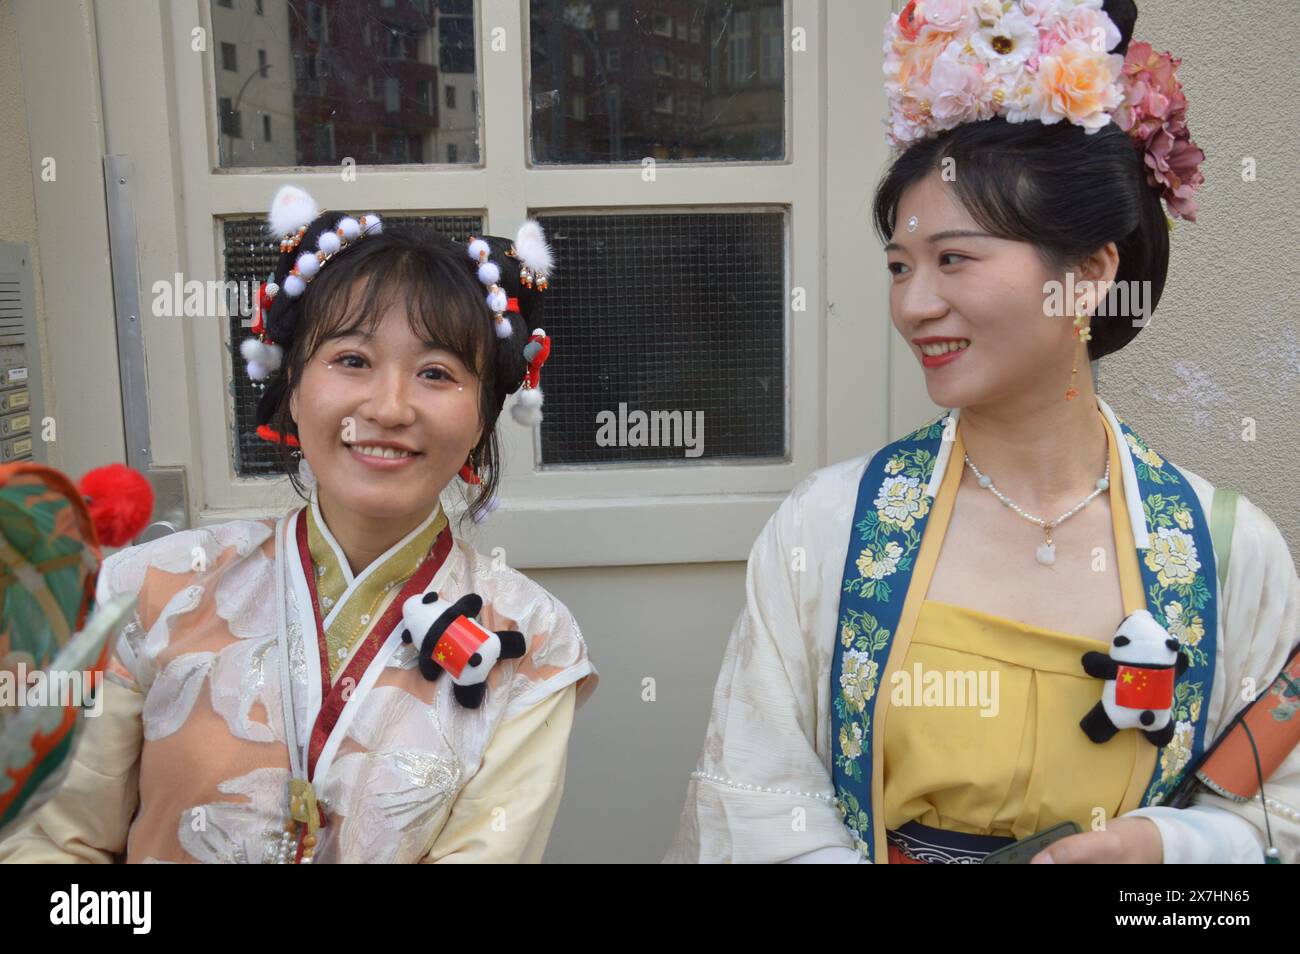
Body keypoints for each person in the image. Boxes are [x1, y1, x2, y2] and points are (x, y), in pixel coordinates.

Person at [665, 0, 1299, 864]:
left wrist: (1165, 848)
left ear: (1088, 275)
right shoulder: (830, 526)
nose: (914, 305)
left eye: (954, 259)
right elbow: (753, 800)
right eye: (900, 267)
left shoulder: (1227, 551)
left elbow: (1278, 816)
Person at [0, 185, 596, 863]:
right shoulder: (145, 591)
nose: (390, 408)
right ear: (292, 386)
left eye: (436, 372)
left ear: (483, 416)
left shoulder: (531, 639)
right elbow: (53, 843)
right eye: (352, 360)